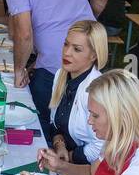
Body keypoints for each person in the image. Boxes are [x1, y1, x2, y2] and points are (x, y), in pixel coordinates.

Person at [0, 0, 109, 141]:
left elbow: (23, 34)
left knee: (44, 128)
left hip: (53, 64)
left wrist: (19, 69)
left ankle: (54, 164)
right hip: (90, 54)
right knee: (90, 122)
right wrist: (86, 28)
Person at [46, 20, 108, 166]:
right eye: (66, 44)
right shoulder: (61, 75)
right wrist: (59, 144)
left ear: (94, 55)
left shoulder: (96, 90)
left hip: (86, 169)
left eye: (77, 49)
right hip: (61, 157)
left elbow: (101, 146)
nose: (66, 53)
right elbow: (54, 123)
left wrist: (68, 157)